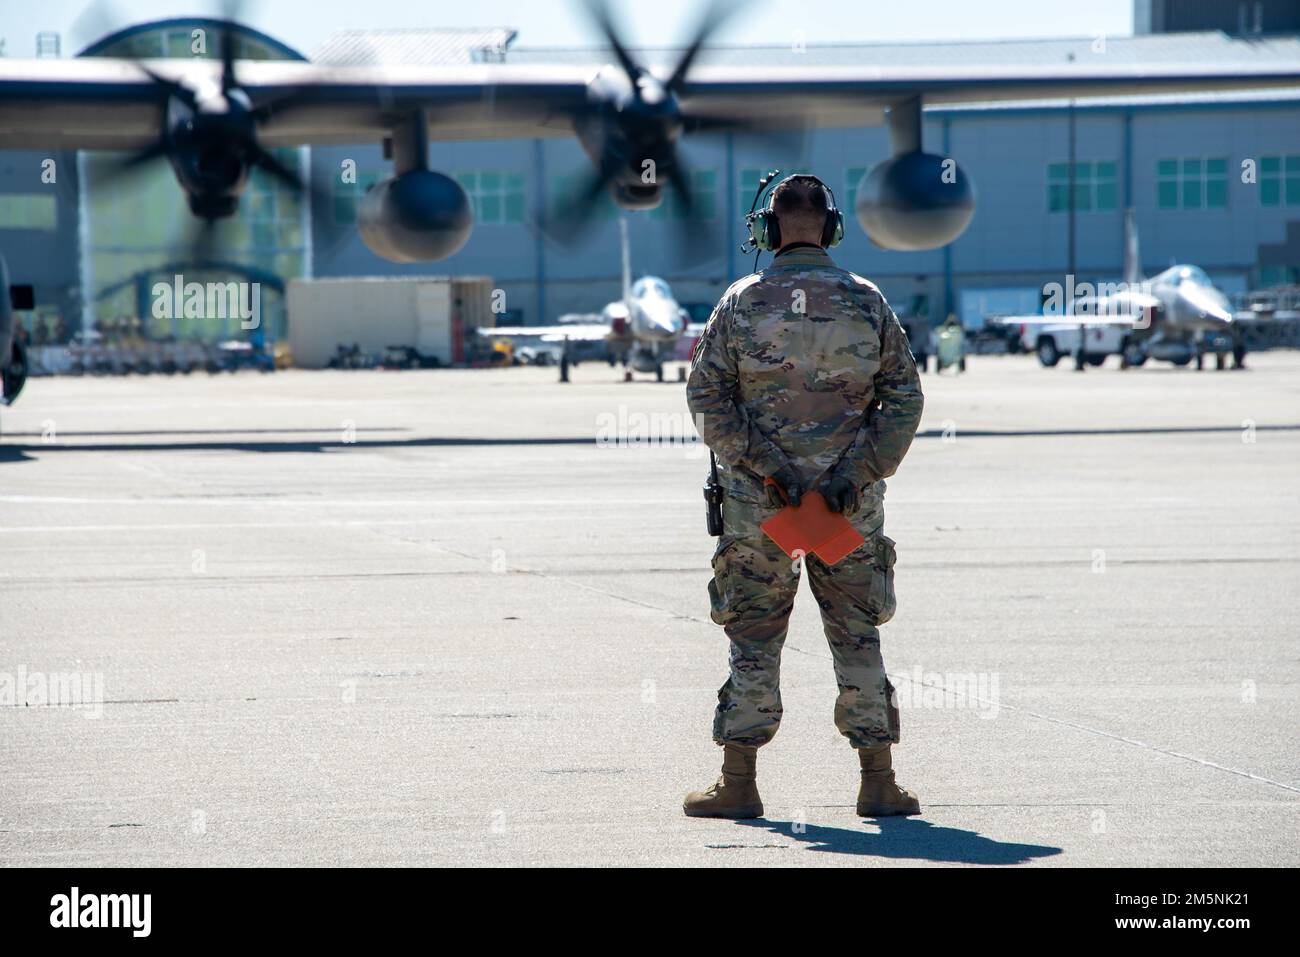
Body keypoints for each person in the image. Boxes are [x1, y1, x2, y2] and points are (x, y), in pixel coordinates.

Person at [684, 173, 925, 819]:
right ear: (832, 229)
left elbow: (707, 396)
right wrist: (853, 474)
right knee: (856, 635)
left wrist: (767, 467)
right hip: (846, 506)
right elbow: (903, 398)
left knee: (754, 637)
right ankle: (878, 781)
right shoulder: (867, 301)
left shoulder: (741, 301)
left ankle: (739, 782)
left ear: (765, 232)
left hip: (767, 508)